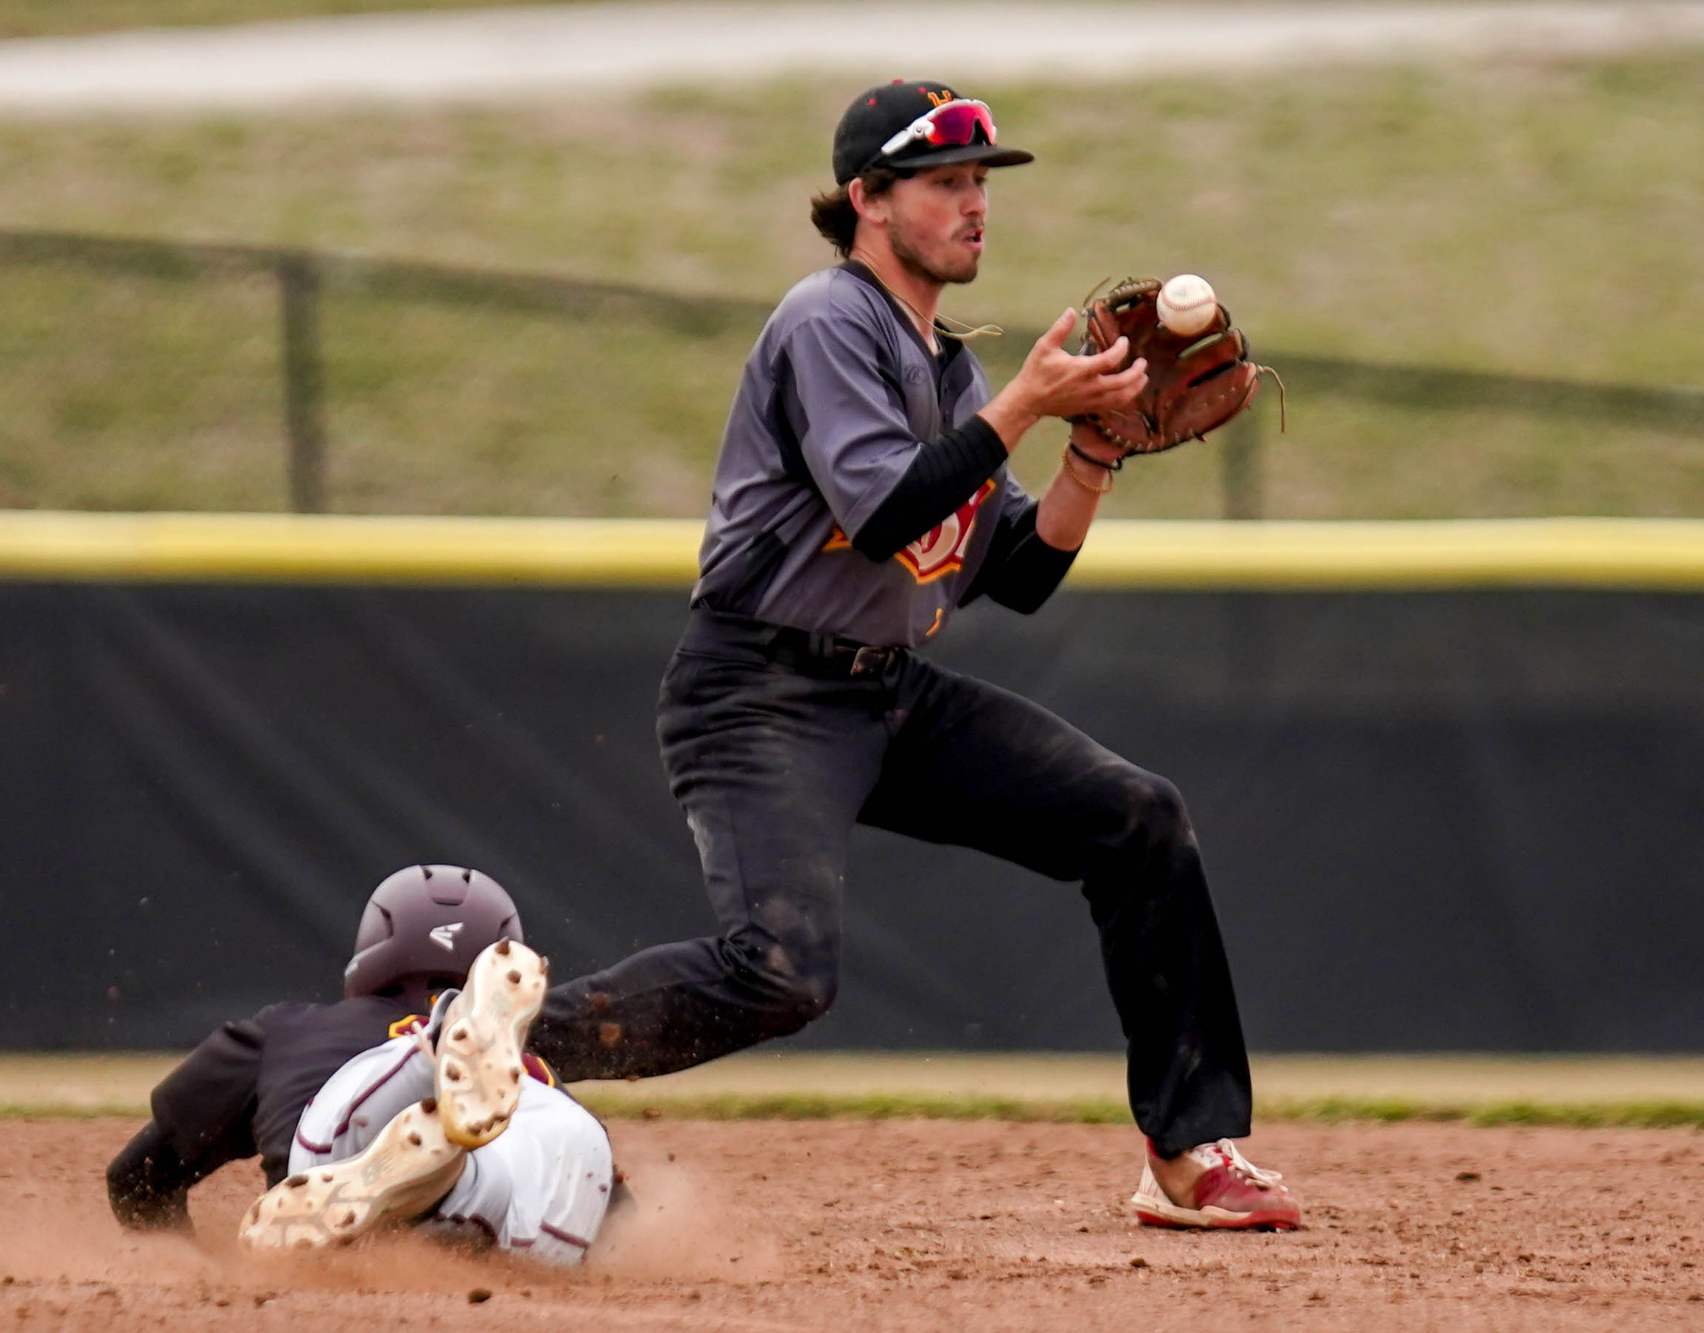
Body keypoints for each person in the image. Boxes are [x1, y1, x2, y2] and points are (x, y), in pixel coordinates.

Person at [524, 79, 1299, 1231]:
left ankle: (1186, 1155)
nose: (975, 203)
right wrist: (1031, 401)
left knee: (1136, 818)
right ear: (867, 201)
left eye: (980, 182)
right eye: (945, 182)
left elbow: (1017, 574)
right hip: (757, 690)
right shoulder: (827, 321)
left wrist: (1090, 451)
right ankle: (505, 1050)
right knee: (779, 971)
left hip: (881, 693)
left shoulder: (947, 372)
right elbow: (886, 508)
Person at [106, 864, 617, 1262]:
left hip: (343, 1143)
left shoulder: (288, 1030)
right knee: (548, 1192)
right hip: (533, 1165)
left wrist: (198, 1269)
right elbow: (615, 1225)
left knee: (344, 1128)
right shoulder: (525, 1070)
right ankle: (460, 1181)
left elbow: (139, 1176)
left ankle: (427, 1067)